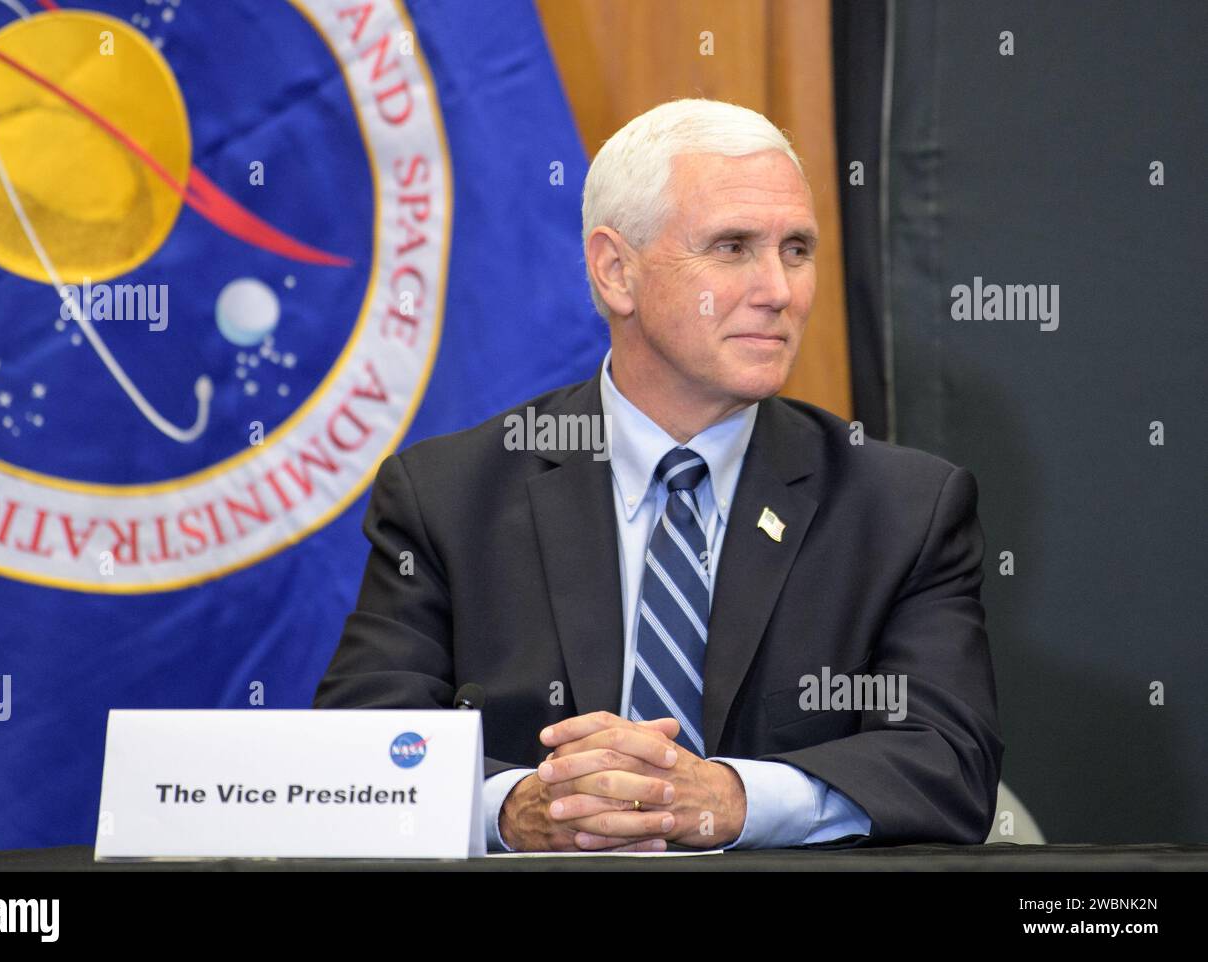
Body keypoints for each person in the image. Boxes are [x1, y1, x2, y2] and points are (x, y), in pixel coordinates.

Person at [314, 98, 1003, 852]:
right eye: (734, 247)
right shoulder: (448, 497)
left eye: (797, 249)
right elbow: (360, 754)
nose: (779, 289)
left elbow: (950, 762)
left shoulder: (903, 508)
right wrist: (518, 809)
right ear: (617, 272)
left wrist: (728, 799)